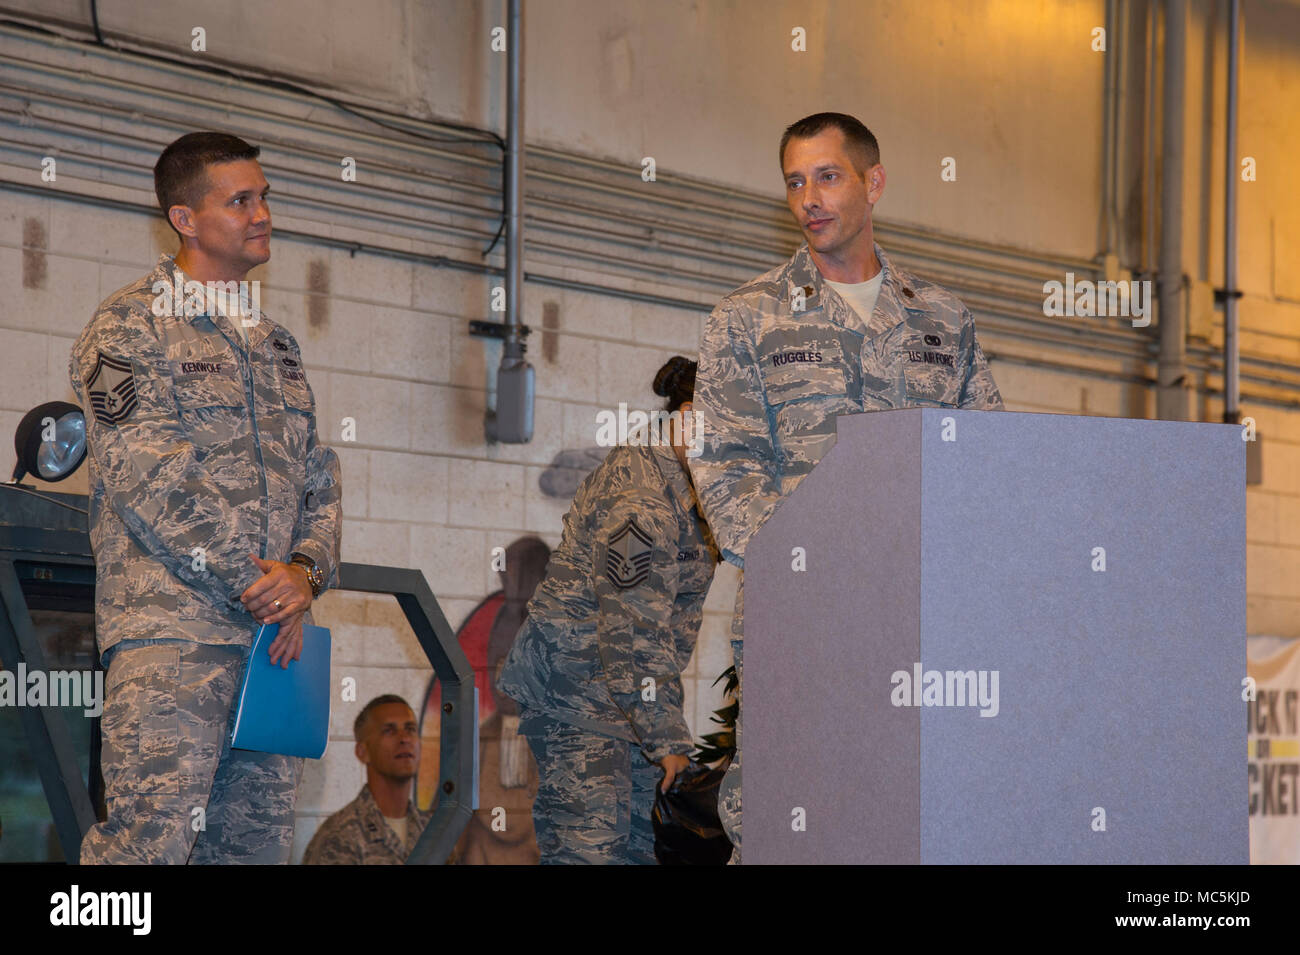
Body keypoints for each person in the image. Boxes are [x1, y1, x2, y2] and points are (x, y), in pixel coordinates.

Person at [689, 112, 1005, 862]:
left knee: (915, 808)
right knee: (788, 811)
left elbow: (988, 462)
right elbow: (724, 467)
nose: (809, 198)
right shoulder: (746, 318)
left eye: (827, 176)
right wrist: (810, 558)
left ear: (874, 182)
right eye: (795, 182)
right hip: (803, 609)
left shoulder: (944, 320)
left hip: (923, 617)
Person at [71, 131, 342, 864]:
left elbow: (320, 476)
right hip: (174, 640)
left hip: (270, 651)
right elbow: (149, 475)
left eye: (266, 198)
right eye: (242, 200)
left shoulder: (276, 344)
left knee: (252, 853)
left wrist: (305, 575)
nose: (264, 216)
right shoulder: (127, 325)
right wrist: (261, 583)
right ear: (185, 219)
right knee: (144, 850)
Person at [497, 357, 720, 864]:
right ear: (691, 417)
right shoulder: (641, 499)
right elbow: (633, 635)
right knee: (590, 855)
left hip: (628, 710)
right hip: (577, 702)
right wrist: (669, 742)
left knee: (641, 856)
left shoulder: (691, 489)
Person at [303, 696, 431, 865]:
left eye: (410, 729)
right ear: (363, 751)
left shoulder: (434, 830)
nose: (404, 738)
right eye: (389, 731)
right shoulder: (340, 837)